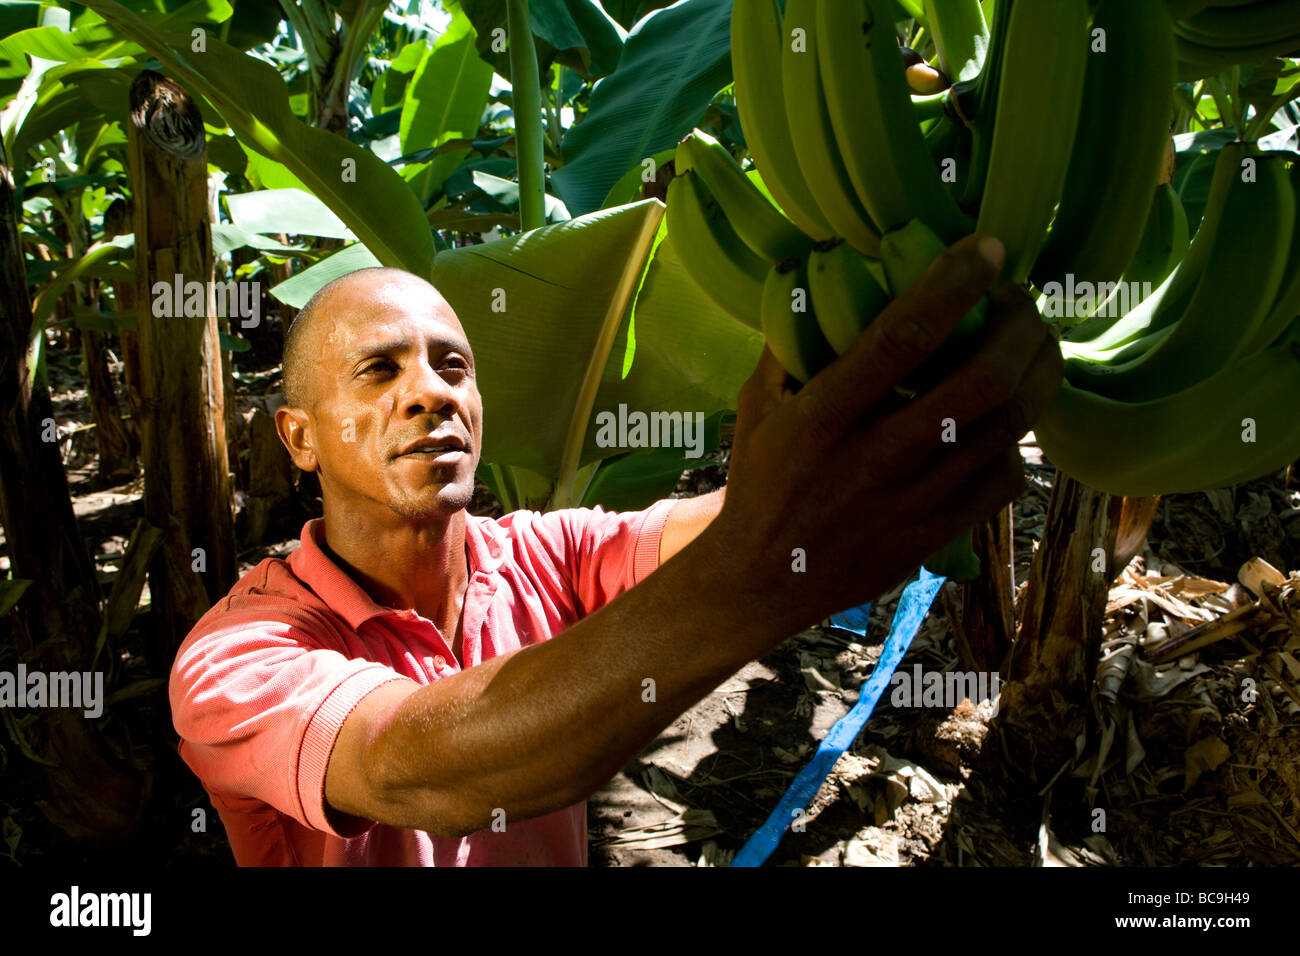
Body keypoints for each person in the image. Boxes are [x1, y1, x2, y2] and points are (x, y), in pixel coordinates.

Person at [169, 232, 1062, 865]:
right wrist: (752, 581)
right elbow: (414, 770)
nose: (429, 394)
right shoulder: (235, 656)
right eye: (379, 370)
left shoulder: (537, 555)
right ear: (298, 437)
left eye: (453, 366)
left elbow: (738, 519)